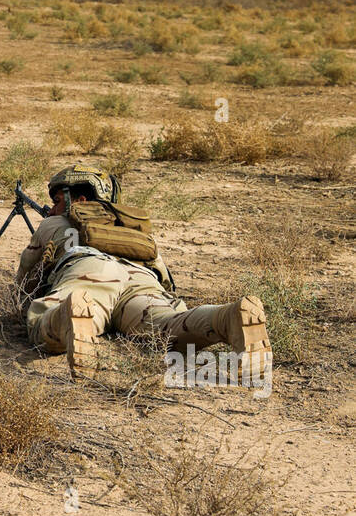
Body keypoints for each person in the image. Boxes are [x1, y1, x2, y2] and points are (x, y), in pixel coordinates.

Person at [16, 164, 272, 382]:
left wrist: (30, 301)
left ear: (80, 200)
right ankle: (226, 318)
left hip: (88, 270)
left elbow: (26, 277)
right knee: (169, 327)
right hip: (141, 279)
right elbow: (165, 279)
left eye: (56, 201)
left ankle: (66, 315)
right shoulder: (134, 230)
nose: (50, 210)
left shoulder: (54, 223)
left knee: (44, 321)